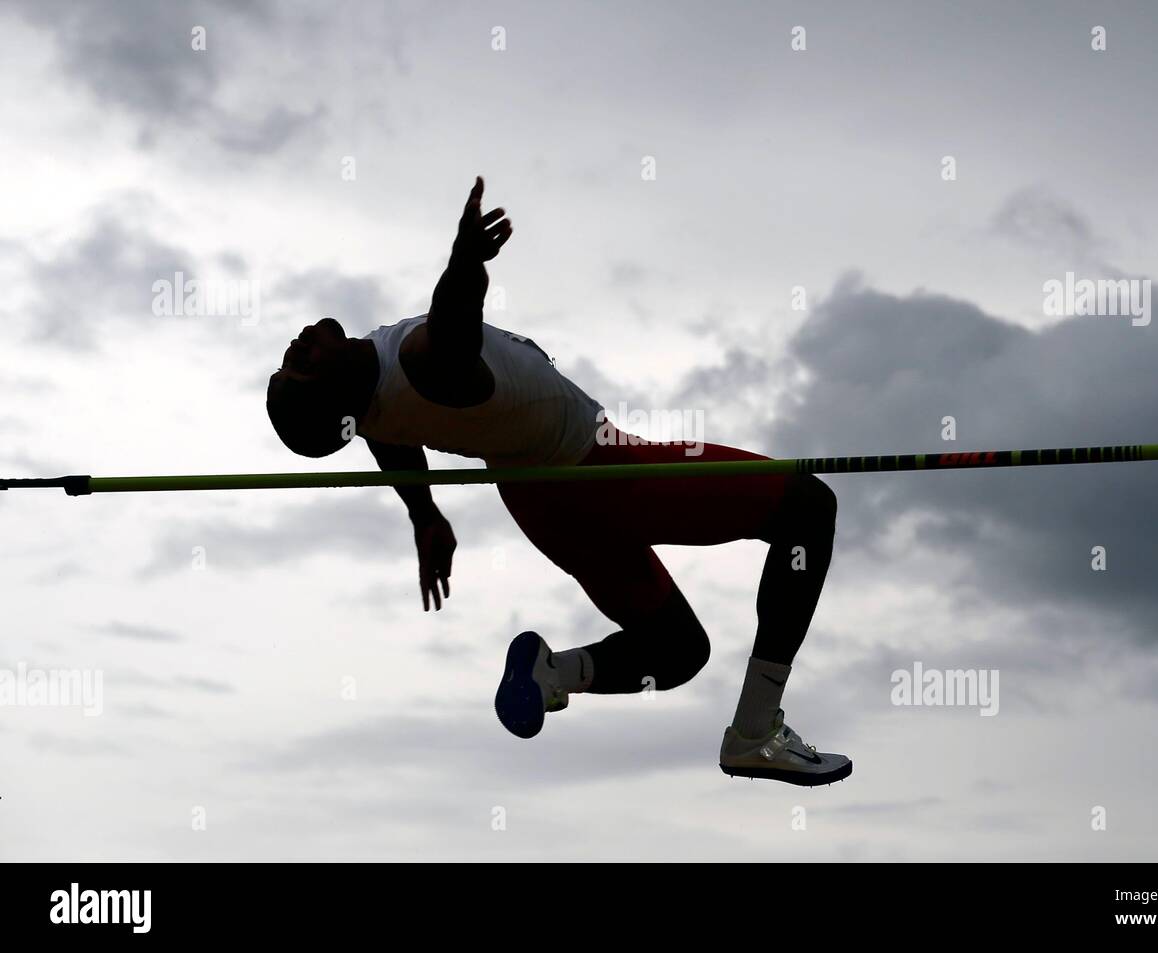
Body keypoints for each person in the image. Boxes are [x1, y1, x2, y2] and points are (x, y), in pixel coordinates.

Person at [266, 178, 850, 785]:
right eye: (298, 367)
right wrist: (465, 261)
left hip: (541, 501)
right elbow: (453, 329)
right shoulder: (421, 363)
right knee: (806, 506)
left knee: (676, 651)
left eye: (286, 359)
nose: (294, 345)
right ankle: (756, 732)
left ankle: (551, 674)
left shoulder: (373, 403)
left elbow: (389, 437)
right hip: (602, 470)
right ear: (336, 395)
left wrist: (425, 516)